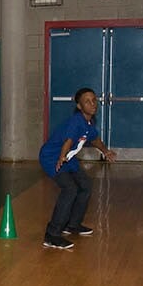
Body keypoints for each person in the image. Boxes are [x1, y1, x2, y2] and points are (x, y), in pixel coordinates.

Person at [40, 88, 113, 250]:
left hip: (68, 158)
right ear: (79, 106)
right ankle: (52, 234)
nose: (93, 104)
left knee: (85, 186)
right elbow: (68, 140)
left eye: (94, 100)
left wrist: (106, 151)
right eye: (87, 101)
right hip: (53, 157)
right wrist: (61, 157)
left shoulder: (89, 123)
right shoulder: (76, 121)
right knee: (70, 189)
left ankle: (72, 224)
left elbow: (95, 140)